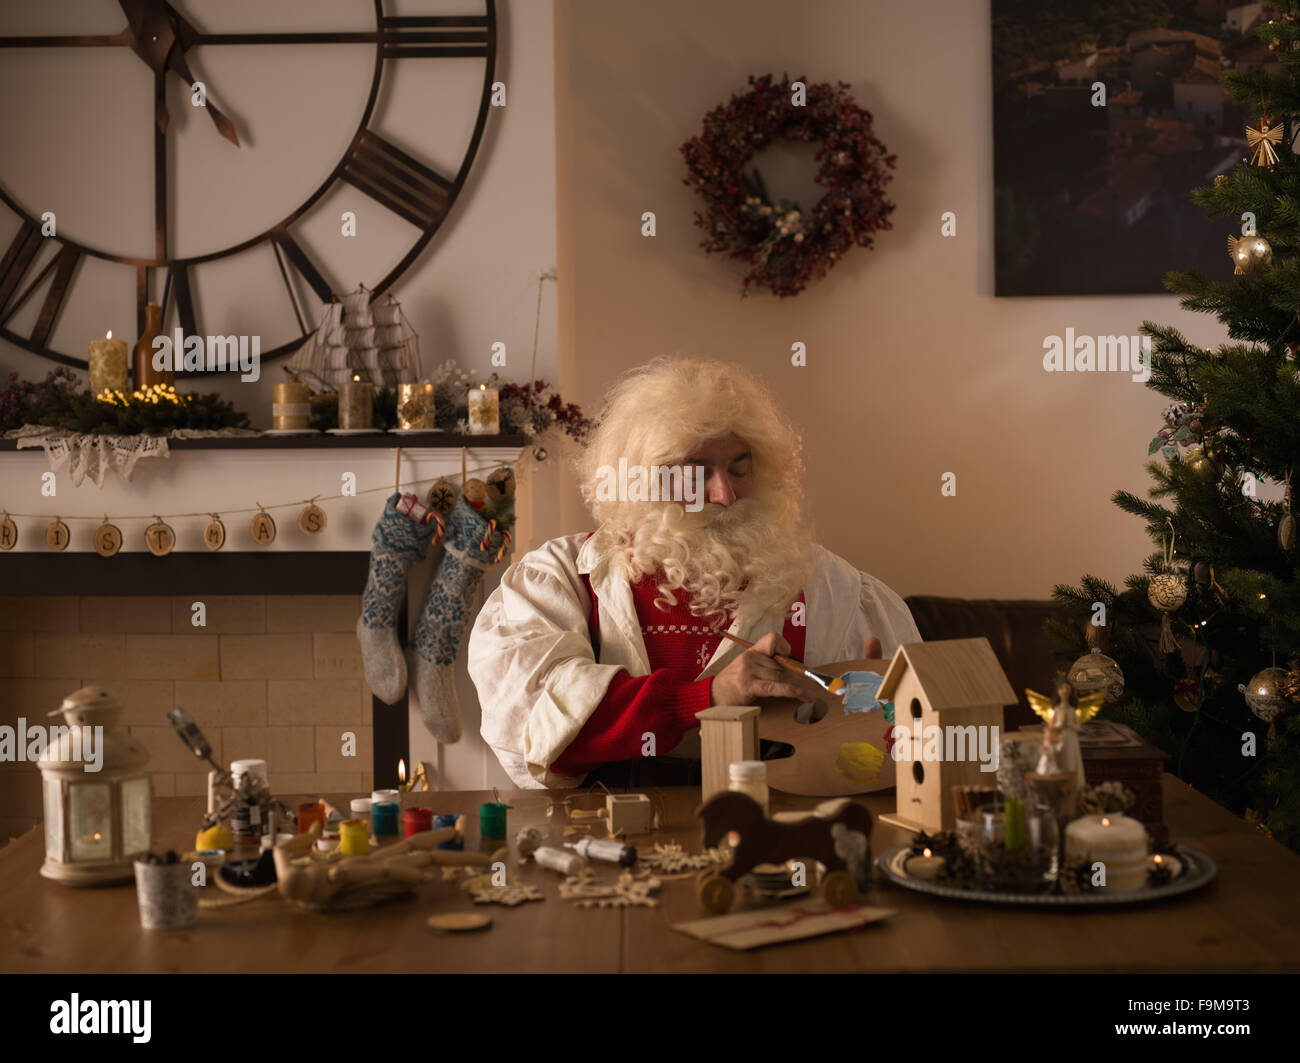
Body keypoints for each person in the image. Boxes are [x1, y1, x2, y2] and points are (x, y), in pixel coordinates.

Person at [467, 358, 920, 789]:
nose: (724, 494)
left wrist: (870, 716)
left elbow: (905, 744)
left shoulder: (832, 589)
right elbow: (537, 726)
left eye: (740, 469)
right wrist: (704, 699)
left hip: (775, 828)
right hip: (609, 837)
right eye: (695, 473)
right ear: (640, 479)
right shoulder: (561, 579)